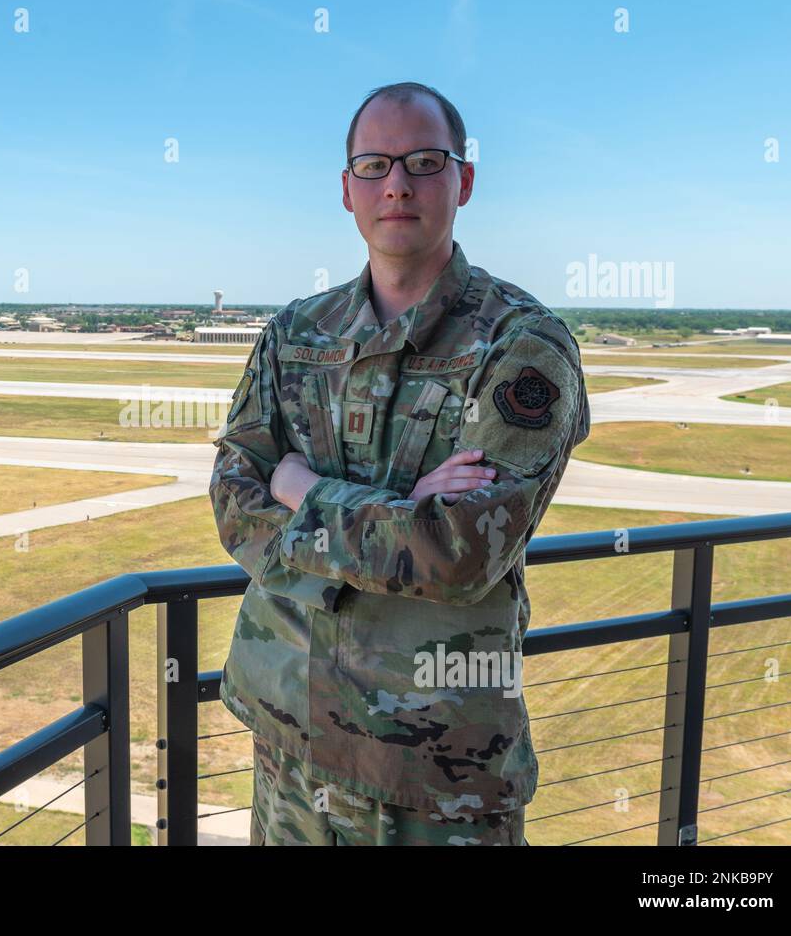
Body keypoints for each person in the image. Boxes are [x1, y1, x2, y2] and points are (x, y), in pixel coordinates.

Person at [209, 82, 591, 845]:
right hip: (288, 742)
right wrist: (398, 512)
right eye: (375, 164)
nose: (397, 183)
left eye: (424, 160)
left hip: (434, 777)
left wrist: (303, 487)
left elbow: (456, 552)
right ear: (347, 190)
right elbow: (232, 499)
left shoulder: (523, 346)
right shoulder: (295, 334)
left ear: (465, 180)